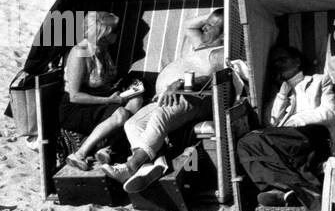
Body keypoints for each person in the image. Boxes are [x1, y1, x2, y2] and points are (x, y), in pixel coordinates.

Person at [104, 10, 225, 197]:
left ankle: (132, 165)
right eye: (206, 23)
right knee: (133, 123)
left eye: (211, 26)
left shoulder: (221, 52)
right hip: (168, 96)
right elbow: (189, 24)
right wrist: (216, 16)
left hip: (195, 97)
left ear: (224, 33)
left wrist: (181, 83)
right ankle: (154, 164)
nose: (205, 27)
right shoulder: (200, 44)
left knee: (159, 117)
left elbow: (214, 78)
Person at [235, 45, 335, 211]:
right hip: (287, 139)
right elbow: (270, 123)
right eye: (275, 61)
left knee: (254, 140)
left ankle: (289, 189)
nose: (278, 64)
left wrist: (296, 120)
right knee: (245, 145)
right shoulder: (277, 90)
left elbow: (329, 112)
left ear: (297, 62)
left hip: (314, 135)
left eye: (282, 59)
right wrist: (282, 95)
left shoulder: (319, 81)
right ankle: (288, 190)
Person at [59, 11, 145, 170]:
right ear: (103, 34)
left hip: (99, 100)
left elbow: (102, 81)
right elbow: (75, 96)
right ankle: (80, 154)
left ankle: (108, 148)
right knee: (121, 114)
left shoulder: (102, 49)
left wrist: (125, 90)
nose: (117, 34)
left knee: (137, 100)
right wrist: (109, 100)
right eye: (114, 31)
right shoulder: (80, 52)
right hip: (77, 107)